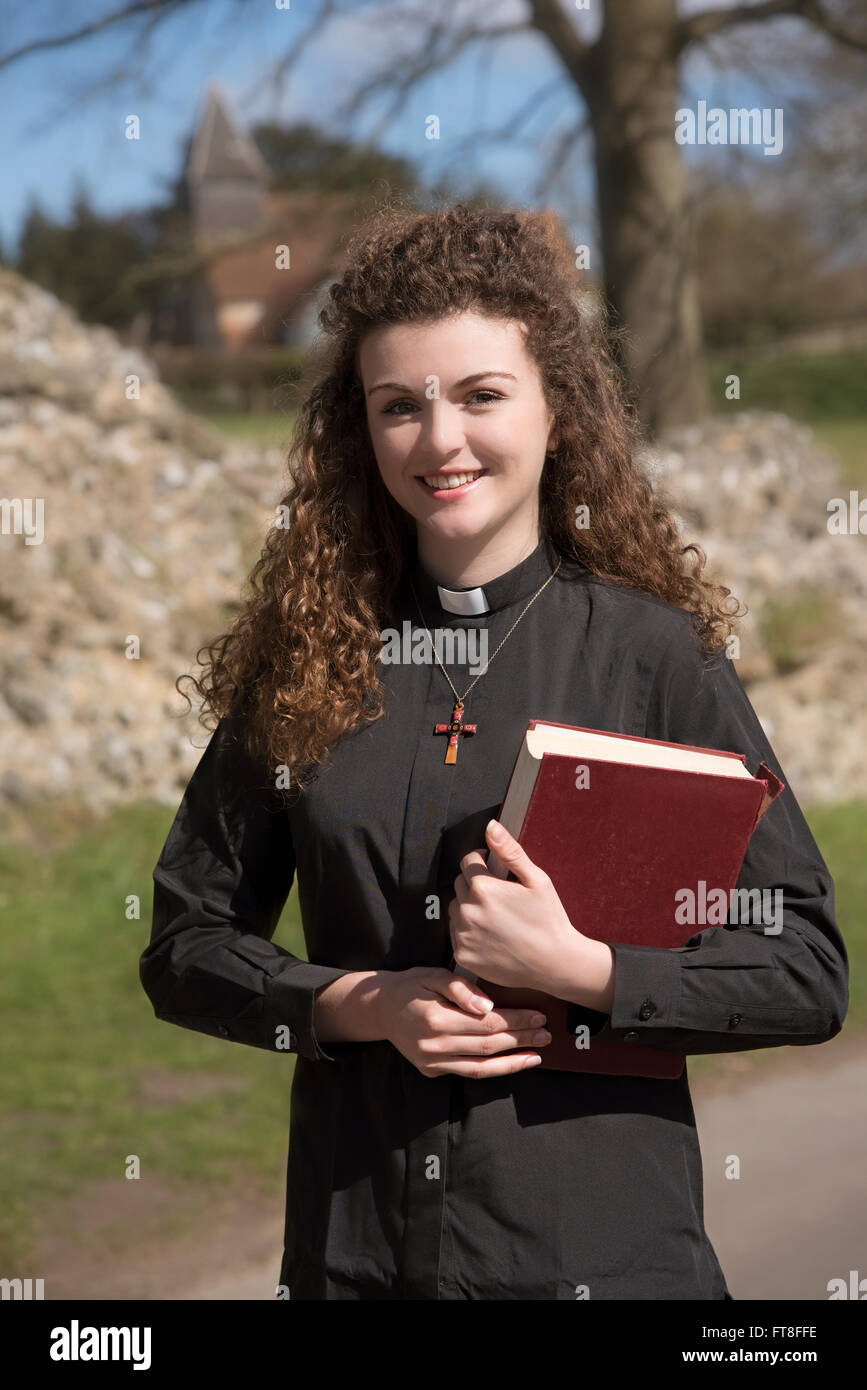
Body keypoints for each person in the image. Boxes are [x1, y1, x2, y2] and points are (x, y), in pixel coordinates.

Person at [140, 203, 848, 1301]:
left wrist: (587, 971)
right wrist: (358, 1003)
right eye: (399, 406)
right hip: (358, 1258)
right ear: (360, 432)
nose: (441, 440)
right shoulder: (308, 659)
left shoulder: (654, 657)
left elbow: (804, 967)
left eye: (480, 394)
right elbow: (185, 942)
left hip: (604, 1258)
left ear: (557, 409)